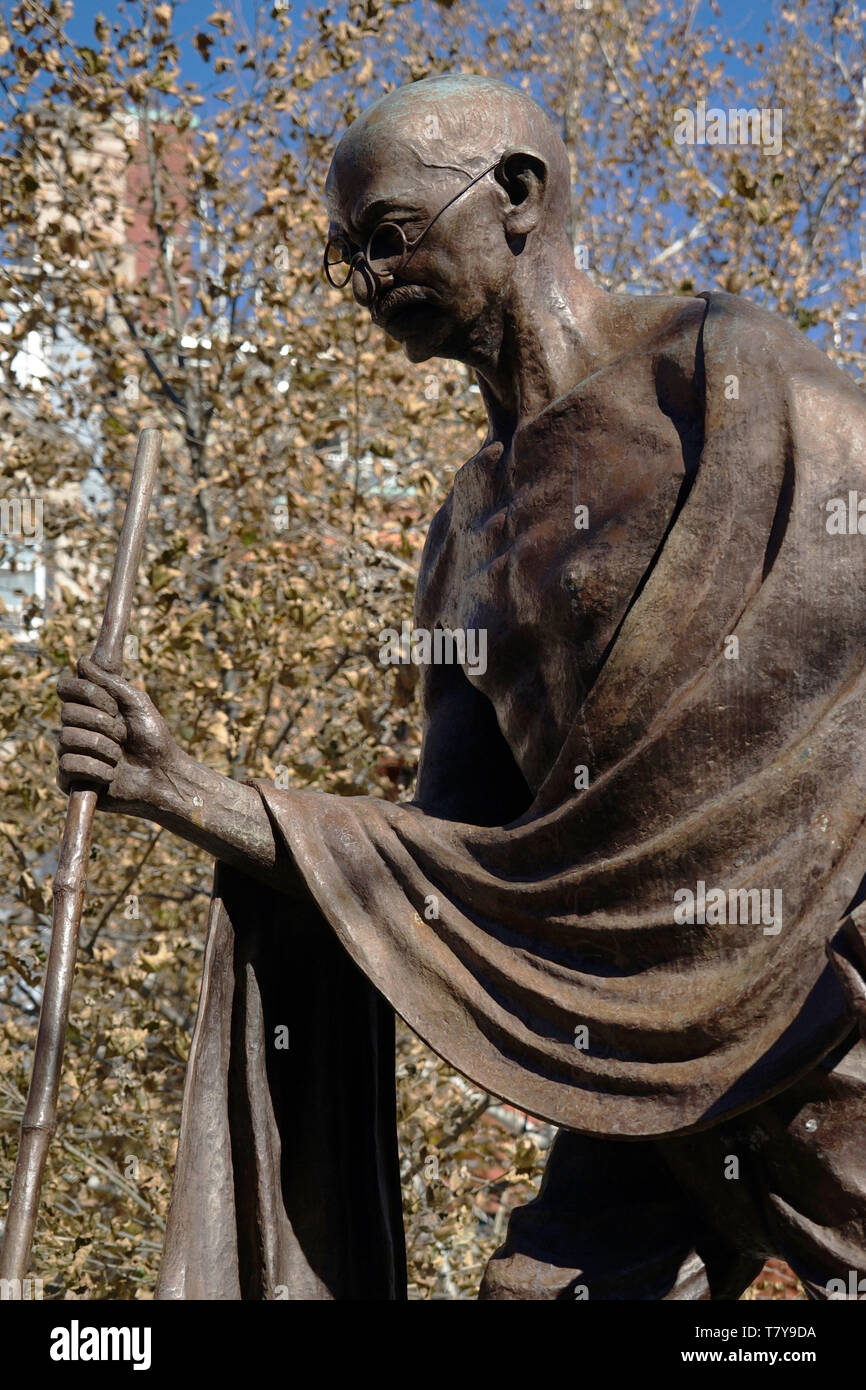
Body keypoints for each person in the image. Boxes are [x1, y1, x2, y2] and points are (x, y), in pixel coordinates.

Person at [58, 74, 866, 1300]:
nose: (369, 282)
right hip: (628, 1036)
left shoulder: (722, 373)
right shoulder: (461, 540)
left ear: (516, 196)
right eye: (347, 259)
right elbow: (448, 858)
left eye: (386, 236)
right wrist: (187, 792)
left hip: (824, 993)